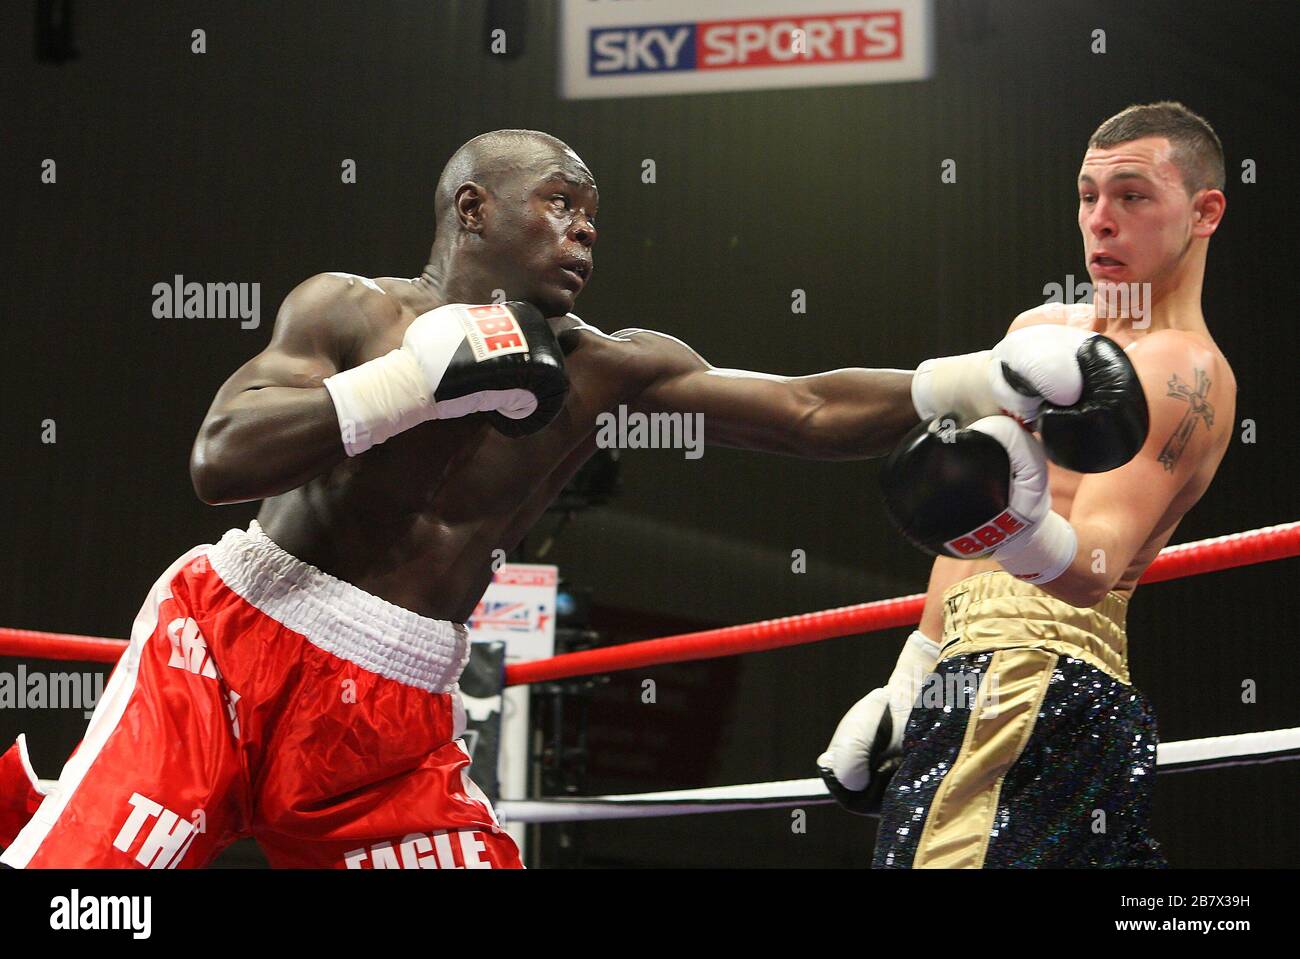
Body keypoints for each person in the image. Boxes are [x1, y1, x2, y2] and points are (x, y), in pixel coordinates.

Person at [2, 130, 1119, 869]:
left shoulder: (605, 365)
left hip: (390, 717)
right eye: (560, 204)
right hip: (230, 648)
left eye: (594, 213)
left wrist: (979, 378)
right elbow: (219, 457)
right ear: (473, 208)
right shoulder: (350, 312)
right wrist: (408, 384)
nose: (585, 228)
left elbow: (805, 407)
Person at [818, 102, 1235, 868]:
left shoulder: (1183, 368)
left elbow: (1092, 568)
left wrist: (1002, 514)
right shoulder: (1038, 332)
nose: (1101, 221)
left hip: (1039, 675)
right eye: (1087, 196)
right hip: (975, 674)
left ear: (1205, 210)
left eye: (1133, 196)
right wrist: (909, 681)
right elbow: (965, 547)